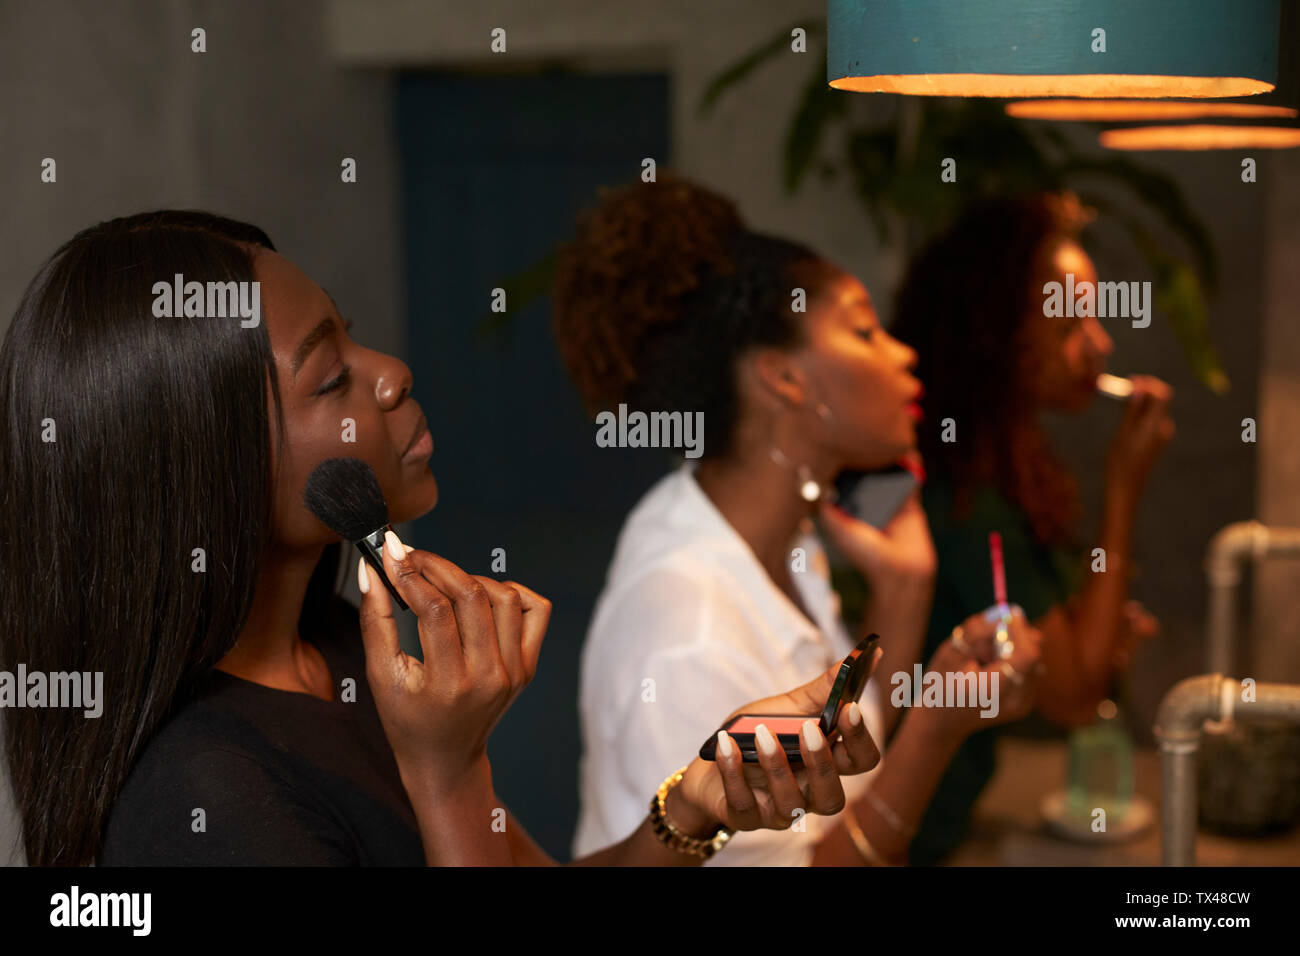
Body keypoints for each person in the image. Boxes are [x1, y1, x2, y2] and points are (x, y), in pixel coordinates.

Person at [0, 210, 882, 867]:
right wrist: (450, 772)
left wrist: (698, 800)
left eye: (353, 334)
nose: (391, 375)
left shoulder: (342, 650)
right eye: (332, 376)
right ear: (208, 467)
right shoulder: (204, 801)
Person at [552, 176, 1044, 866]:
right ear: (784, 378)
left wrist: (905, 591)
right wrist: (938, 726)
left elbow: (846, 754)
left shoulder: (773, 534)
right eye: (864, 331)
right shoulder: (689, 635)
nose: (902, 353)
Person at [890, 192, 1174, 864]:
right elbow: (1073, 694)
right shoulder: (966, 499)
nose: (1099, 345)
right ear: (998, 328)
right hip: (910, 838)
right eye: (1071, 324)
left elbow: (1074, 659)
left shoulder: (994, 465)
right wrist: (1124, 490)